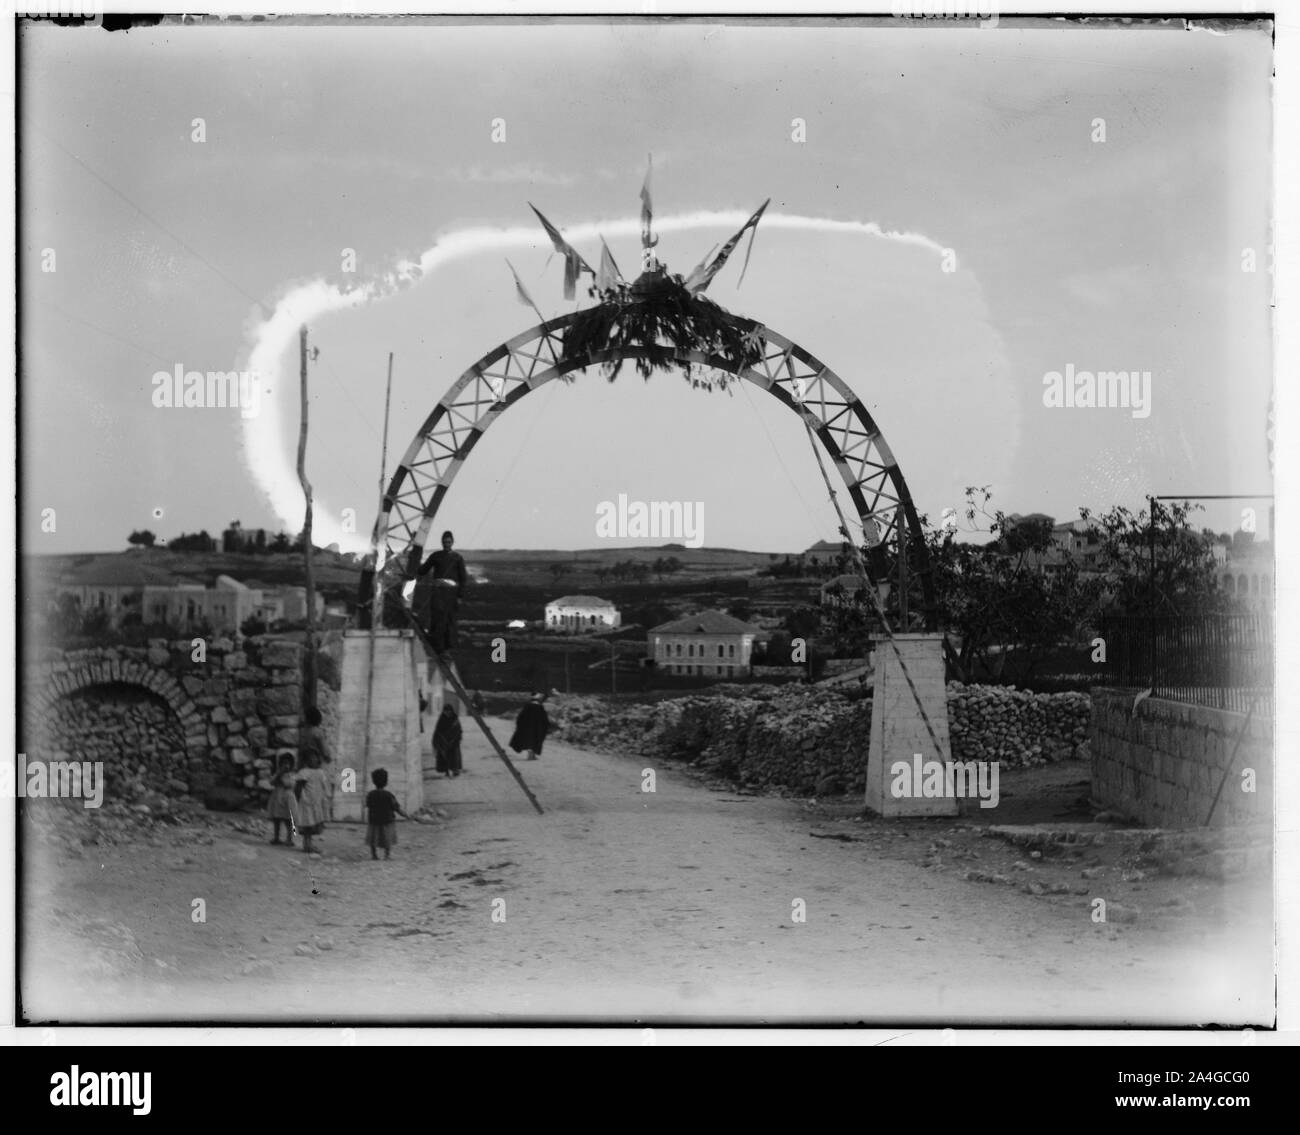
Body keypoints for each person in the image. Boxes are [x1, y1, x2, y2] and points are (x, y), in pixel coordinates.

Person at [417, 530, 469, 655]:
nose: (447, 544)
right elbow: (423, 570)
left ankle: (446, 648)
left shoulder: (457, 558)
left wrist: (460, 596)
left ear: (452, 542)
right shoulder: (436, 556)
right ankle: (437, 646)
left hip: (451, 594)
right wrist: (415, 557)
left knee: (448, 620)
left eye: (449, 542)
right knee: (437, 618)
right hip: (438, 593)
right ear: (442, 542)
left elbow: (463, 578)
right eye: (445, 542)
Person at [293, 751, 331, 855]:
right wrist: (299, 798)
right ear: (306, 761)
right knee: (307, 824)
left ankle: (308, 845)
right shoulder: (304, 772)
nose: (313, 760)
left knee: (313, 823)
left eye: (315, 758)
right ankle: (307, 845)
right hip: (306, 802)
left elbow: (323, 786)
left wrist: (325, 798)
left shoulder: (320, 772)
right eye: (310, 758)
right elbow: (298, 787)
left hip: (317, 802)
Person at [365, 768, 404, 860]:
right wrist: (405, 815)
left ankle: (374, 855)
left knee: (373, 838)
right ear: (386, 782)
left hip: (373, 820)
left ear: (373, 781)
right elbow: (396, 807)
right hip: (387, 821)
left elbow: (368, 804)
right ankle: (387, 855)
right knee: (387, 838)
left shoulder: (370, 794)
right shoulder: (389, 795)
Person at [509, 692, 550, 761]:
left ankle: (531, 755)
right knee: (535, 740)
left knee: (528, 740)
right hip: (537, 728)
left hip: (526, 727)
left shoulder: (528, 706)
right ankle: (531, 756)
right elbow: (544, 719)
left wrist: (519, 725)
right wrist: (546, 726)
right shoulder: (540, 707)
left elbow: (520, 717)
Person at [266, 753, 296, 846]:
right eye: (283, 763)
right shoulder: (278, 773)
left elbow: (289, 784)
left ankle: (289, 839)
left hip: (287, 798)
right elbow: (271, 782)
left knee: (288, 819)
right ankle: (276, 837)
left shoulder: (292, 774)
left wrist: (282, 777)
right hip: (277, 798)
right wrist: (279, 773)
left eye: (287, 763)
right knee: (276, 819)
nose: (286, 765)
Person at [434, 703, 463, 777]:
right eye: (446, 711)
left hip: (454, 741)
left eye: (449, 711)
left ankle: (455, 770)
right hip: (444, 741)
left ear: (451, 711)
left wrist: (457, 738)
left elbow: (459, 730)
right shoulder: (441, 719)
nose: (447, 713)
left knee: (454, 757)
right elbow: (438, 731)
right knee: (444, 757)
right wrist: (437, 741)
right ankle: (446, 771)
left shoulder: (455, 718)